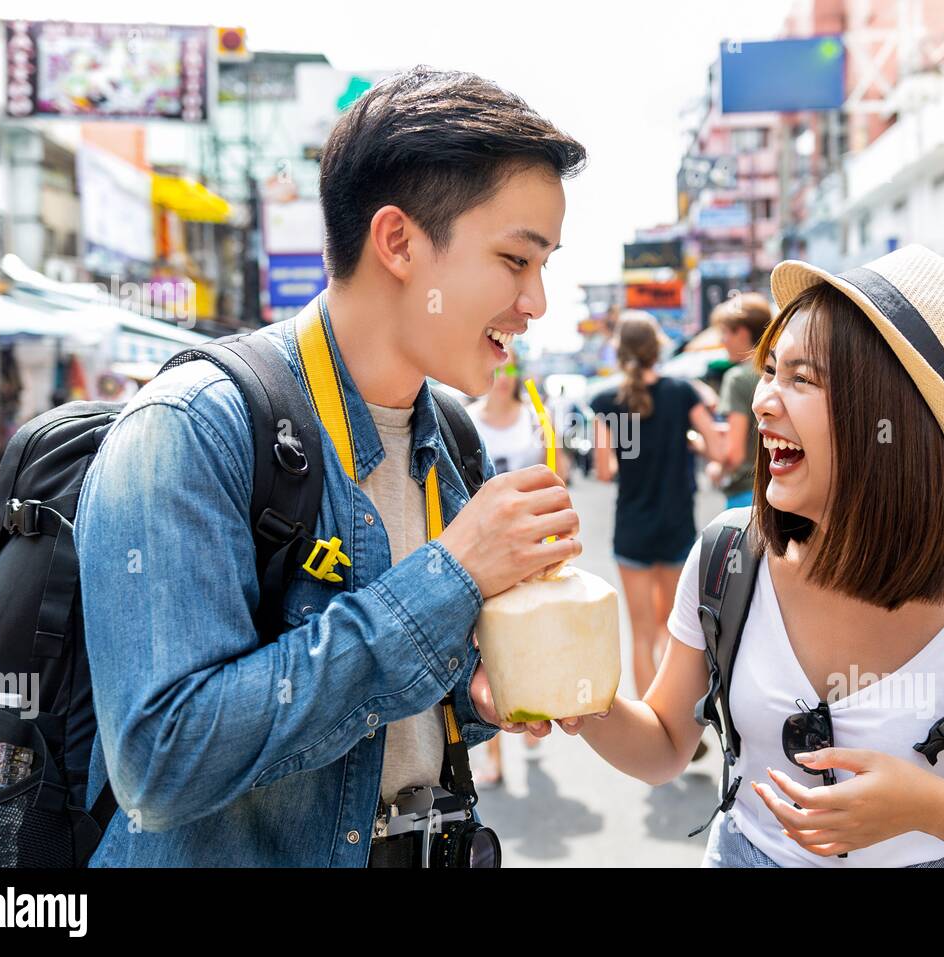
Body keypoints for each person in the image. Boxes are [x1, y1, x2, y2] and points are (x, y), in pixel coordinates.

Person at [74, 67, 587, 866]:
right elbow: (162, 760)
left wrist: (485, 695)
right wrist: (453, 574)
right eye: (518, 260)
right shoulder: (190, 427)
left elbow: (396, 716)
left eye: (545, 265)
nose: (538, 302)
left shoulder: (450, 438)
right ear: (398, 242)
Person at [561, 245, 944, 868]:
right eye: (771, 370)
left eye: (802, 379)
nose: (762, 401)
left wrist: (931, 809)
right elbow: (667, 744)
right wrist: (574, 690)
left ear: (891, 420)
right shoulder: (729, 559)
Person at [590, 312, 723, 697]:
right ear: (656, 348)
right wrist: (688, 442)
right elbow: (716, 447)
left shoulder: (605, 402)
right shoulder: (682, 393)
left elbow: (603, 470)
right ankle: (676, 711)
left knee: (641, 634)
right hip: (676, 523)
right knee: (676, 628)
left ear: (619, 352)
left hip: (632, 527)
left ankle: (650, 721)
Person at [468, 359, 565, 786]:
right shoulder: (465, 420)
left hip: (532, 545)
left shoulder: (535, 417)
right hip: (485, 548)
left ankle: (532, 711)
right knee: (485, 643)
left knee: (530, 635)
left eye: (510, 370)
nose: (502, 377)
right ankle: (495, 756)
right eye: (498, 370)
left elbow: (556, 477)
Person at [708, 292, 773, 509]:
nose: (722, 340)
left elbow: (734, 455)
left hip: (746, 495)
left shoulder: (737, 378)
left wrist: (700, 446)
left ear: (742, 333)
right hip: (782, 488)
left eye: (725, 333)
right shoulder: (783, 371)